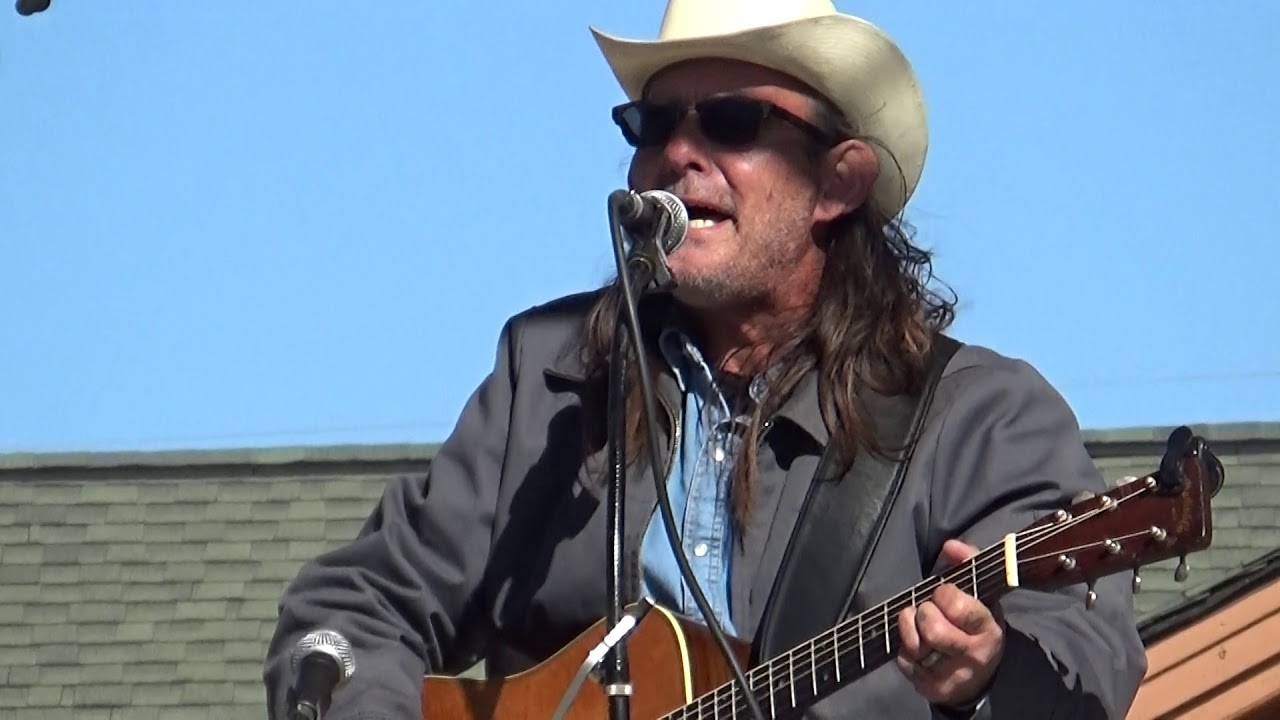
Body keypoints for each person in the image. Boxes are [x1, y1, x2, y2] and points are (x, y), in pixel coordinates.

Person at [263, 1, 1149, 718]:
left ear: (837, 182)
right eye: (653, 124)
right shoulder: (551, 381)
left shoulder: (981, 418)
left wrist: (984, 679)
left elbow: (1082, 659)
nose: (678, 154)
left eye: (731, 121)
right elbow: (350, 612)